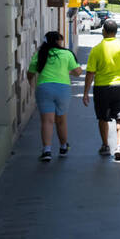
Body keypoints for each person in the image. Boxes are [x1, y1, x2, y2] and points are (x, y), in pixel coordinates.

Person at [83, 18, 120, 161]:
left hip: (102, 88)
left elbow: (90, 73)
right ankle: (119, 145)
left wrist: (85, 93)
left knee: (102, 117)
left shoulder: (96, 49)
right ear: (116, 32)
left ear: (104, 31)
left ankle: (105, 145)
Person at [26, 31, 84, 162]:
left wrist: (31, 84)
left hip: (44, 88)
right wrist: (67, 71)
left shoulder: (40, 54)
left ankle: (47, 150)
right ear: (58, 41)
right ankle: (63, 147)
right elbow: (78, 72)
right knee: (61, 120)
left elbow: (30, 73)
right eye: (60, 40)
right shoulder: (67, 54)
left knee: (47, 121)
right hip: (63, 88)